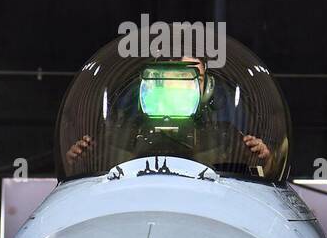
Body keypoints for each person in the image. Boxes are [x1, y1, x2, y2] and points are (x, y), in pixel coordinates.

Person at [64, 56, 272, 175]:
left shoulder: (226, 139)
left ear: (207, 87)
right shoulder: (118, 137)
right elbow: (90, 179)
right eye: (173, 77)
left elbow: (254, 182)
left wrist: (264, 160)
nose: (182, 86)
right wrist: (77, 162)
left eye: (192, 78)